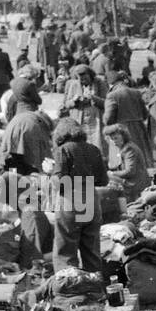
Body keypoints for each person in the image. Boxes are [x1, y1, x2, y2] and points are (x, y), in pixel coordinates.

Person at [49, 117, 107, 274]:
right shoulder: (94, 149)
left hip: (70, 201)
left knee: (65, 253)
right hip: (91, 200)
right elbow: (103, 181)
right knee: (92, 253)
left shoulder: (63, 150)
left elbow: (60, 182)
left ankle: (69, 290)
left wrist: (50, 172)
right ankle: (95, 290)